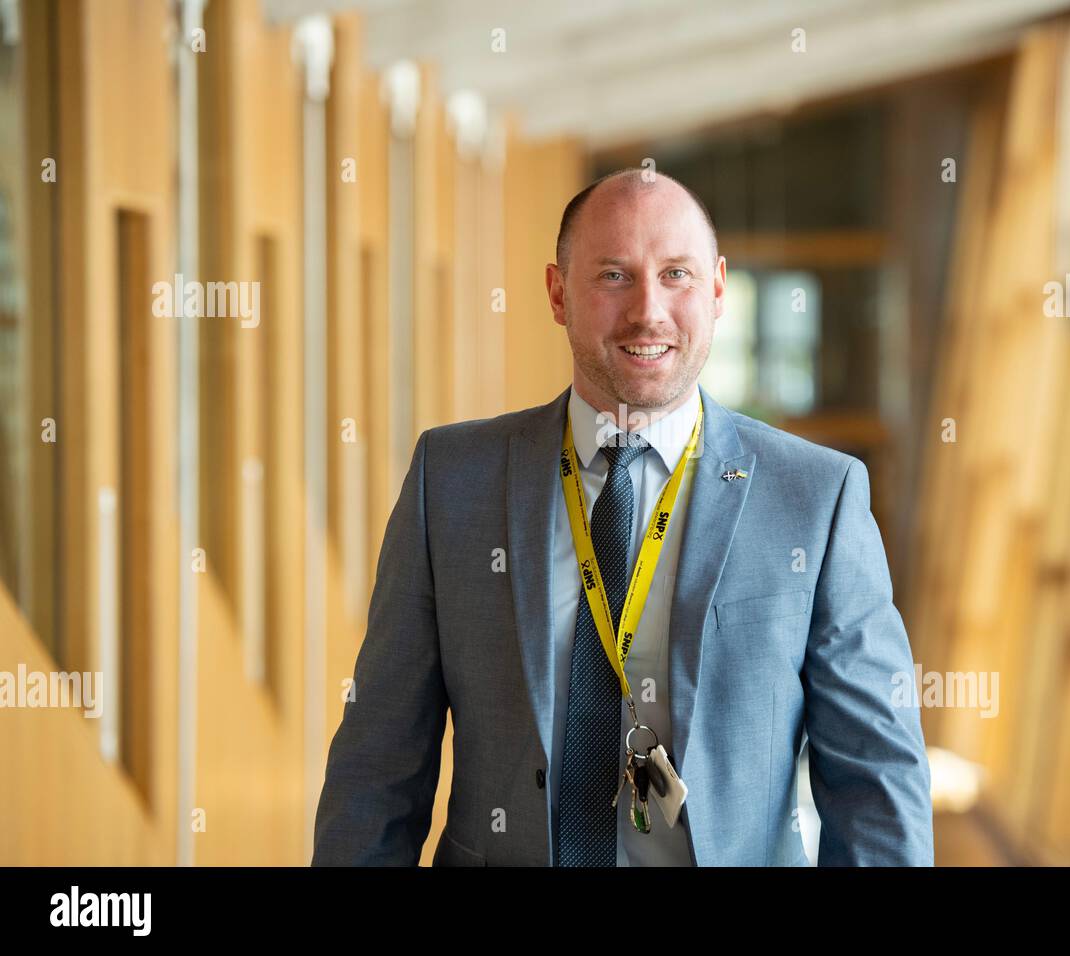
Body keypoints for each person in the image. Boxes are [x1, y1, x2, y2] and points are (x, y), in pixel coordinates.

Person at [312, 167, 933, 866]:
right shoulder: (453, 482)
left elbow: (876, 782)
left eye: (676, 275)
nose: (649, 310)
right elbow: (377, 768)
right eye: (613, 275)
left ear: (719, 289)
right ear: (557, 293)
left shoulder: (814, 498)